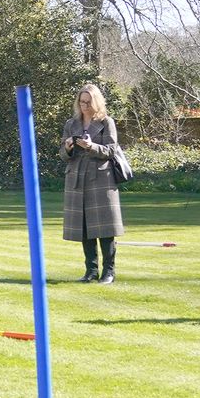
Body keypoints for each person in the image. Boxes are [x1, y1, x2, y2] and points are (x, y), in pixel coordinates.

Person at [61, 83, 124, 284]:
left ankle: (109, 272)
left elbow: (111, 151)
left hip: (101, 180)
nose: (85, 106)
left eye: (88, 102)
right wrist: (69, 147)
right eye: (82, 102)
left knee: (105, 229)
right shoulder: (71, 124)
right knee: (84, 228)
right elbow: (63, 154)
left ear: (96, 102)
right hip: (77, 179)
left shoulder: (107, 122)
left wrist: (92, 146)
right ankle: (91, 271)